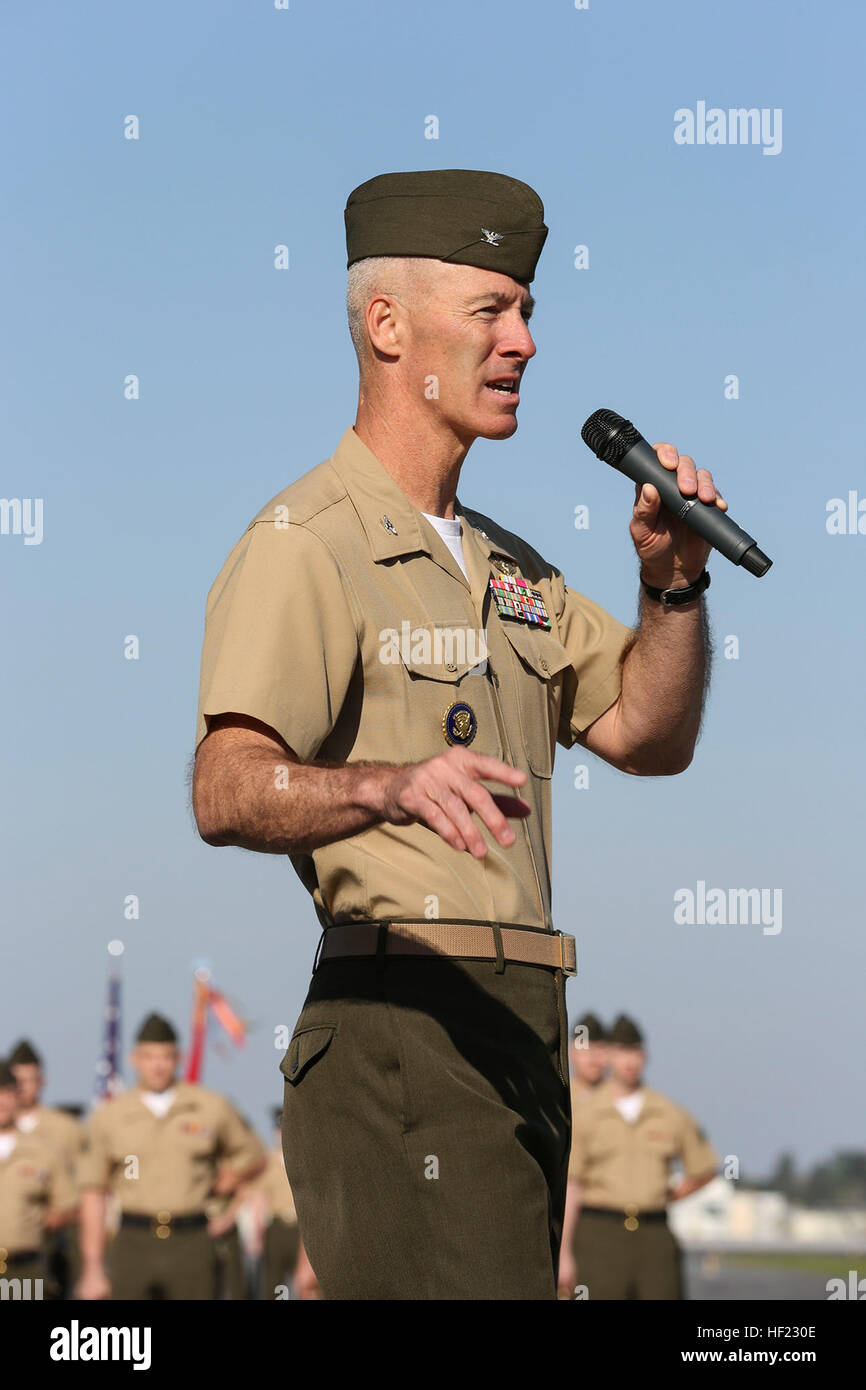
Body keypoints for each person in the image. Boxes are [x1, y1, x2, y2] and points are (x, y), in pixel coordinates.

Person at [192, 168, 723, 1299]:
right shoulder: (305, 539)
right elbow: (225, 787)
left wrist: (671, 594)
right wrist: (385, 787)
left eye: (525, 310)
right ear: (387, 326)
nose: (523, 341)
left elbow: (643, 730)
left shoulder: (505, 564)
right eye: (491, 309)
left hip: (520, 1022)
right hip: (404, 1026)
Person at [76, 1012, 265, 1300]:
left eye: (165, 1056)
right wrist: (92, 1267)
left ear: (178, 1058)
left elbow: (252, 1156)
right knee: (130, 1341)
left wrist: (227, 1182)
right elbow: (93, 1191)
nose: (158, 1065)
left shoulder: (209, 1107)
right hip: (133, 1240)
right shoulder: (110, 1117)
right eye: (149, 1056)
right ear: (134, 1059)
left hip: (191, 1239)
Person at [569, 1014, 719, 1299]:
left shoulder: (669, 1112)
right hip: (598, 1231)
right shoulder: (585, 1113)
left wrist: (670, 1195)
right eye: (622, 1052)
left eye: (635, 1052)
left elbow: (704, 1167)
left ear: (645, 1056)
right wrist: (564, 1253)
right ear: (609, 1056)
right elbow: (572, 1185)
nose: (629, 1061)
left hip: (654, 1230)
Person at [9, 1038, 83, 1298]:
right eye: (16, 1081)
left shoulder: (66, 1129)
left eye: (30, 1079)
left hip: (54, 1241)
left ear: (42, 1081)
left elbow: (84, 1183)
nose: (23, 1088)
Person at [558, 1012, 610, 1294]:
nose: (594, 1058)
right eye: (586, 1048)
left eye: (601, 1050)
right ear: (571, 1051)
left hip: (606, 1223)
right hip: (565, 1215)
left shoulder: (622, 1103)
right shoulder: (560, 1098)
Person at [250, 1107, 301, 1300]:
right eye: (279, 1130)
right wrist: (257, 1233)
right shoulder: (267, 1163)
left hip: (301, 1229)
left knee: (305, 1282)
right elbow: (259, 1199)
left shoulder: (302, 1160)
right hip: (277, 1227)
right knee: (276, 1284)